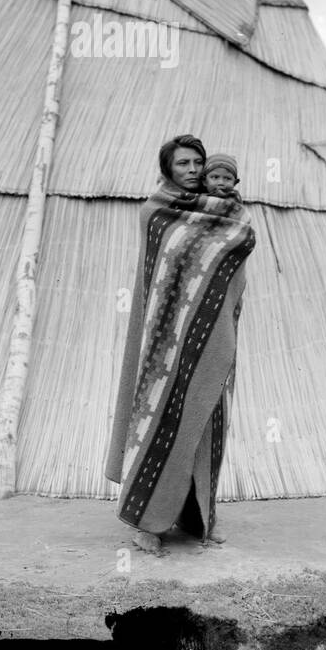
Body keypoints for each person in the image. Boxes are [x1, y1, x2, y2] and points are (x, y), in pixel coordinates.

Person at [104, 135, 256, 555]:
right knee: (162, 418)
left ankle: (198, 518)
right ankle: (147, 524)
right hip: (163, 344)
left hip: (210, 332)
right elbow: (160, 277)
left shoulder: (228, 211)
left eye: (197, 163)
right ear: (167, 169)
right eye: (182, 163)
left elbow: (239, 245)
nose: (191, 170)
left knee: (205, 419)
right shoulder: (157, 212)